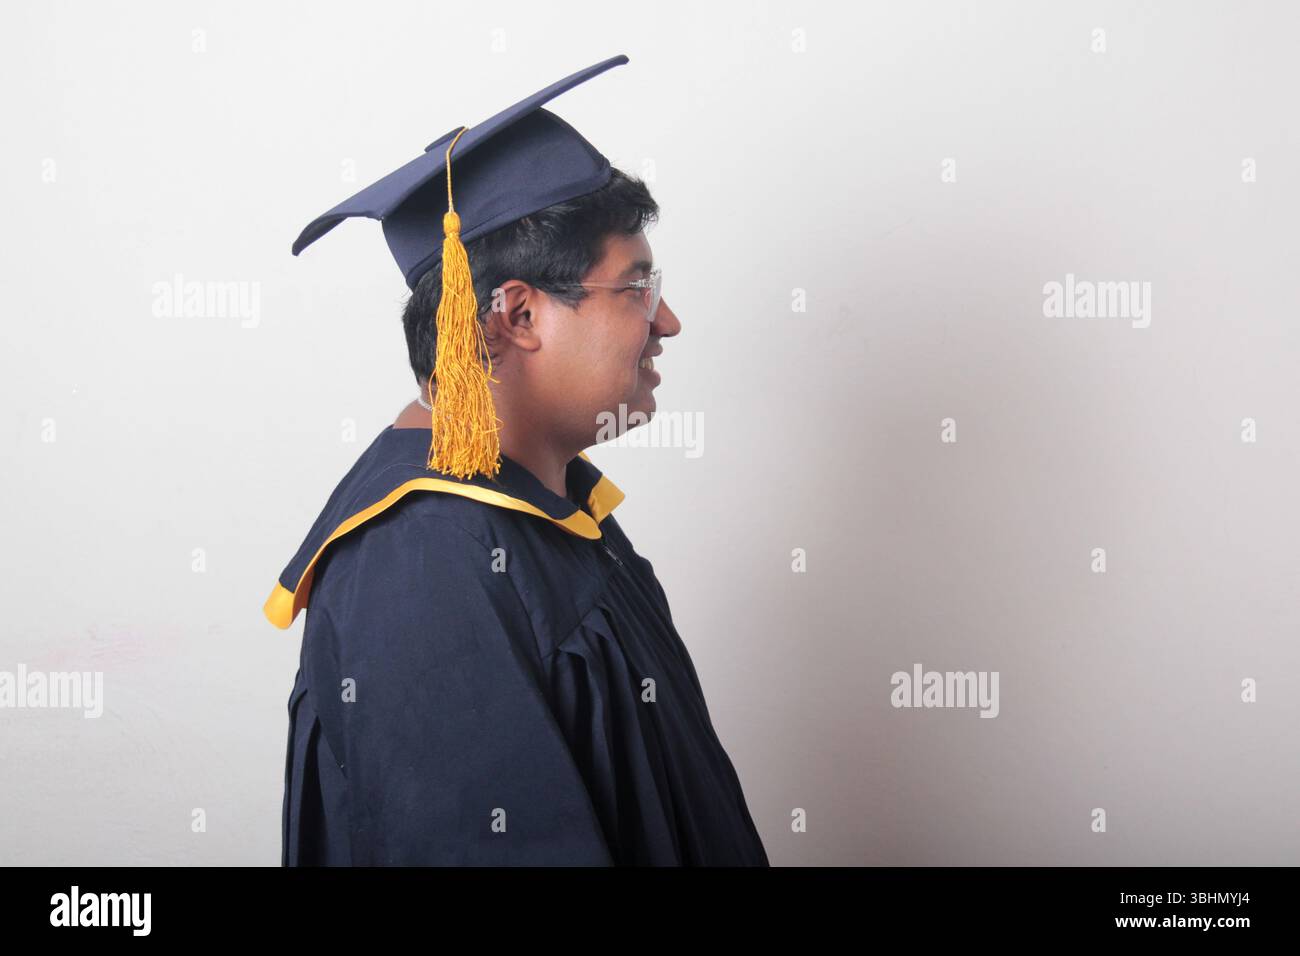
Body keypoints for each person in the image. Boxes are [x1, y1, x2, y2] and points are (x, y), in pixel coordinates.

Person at [264, 55, 769, 865]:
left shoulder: (541, 506)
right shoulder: (421, 564)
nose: (666, 320)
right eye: (637, 285)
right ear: (520, 314)